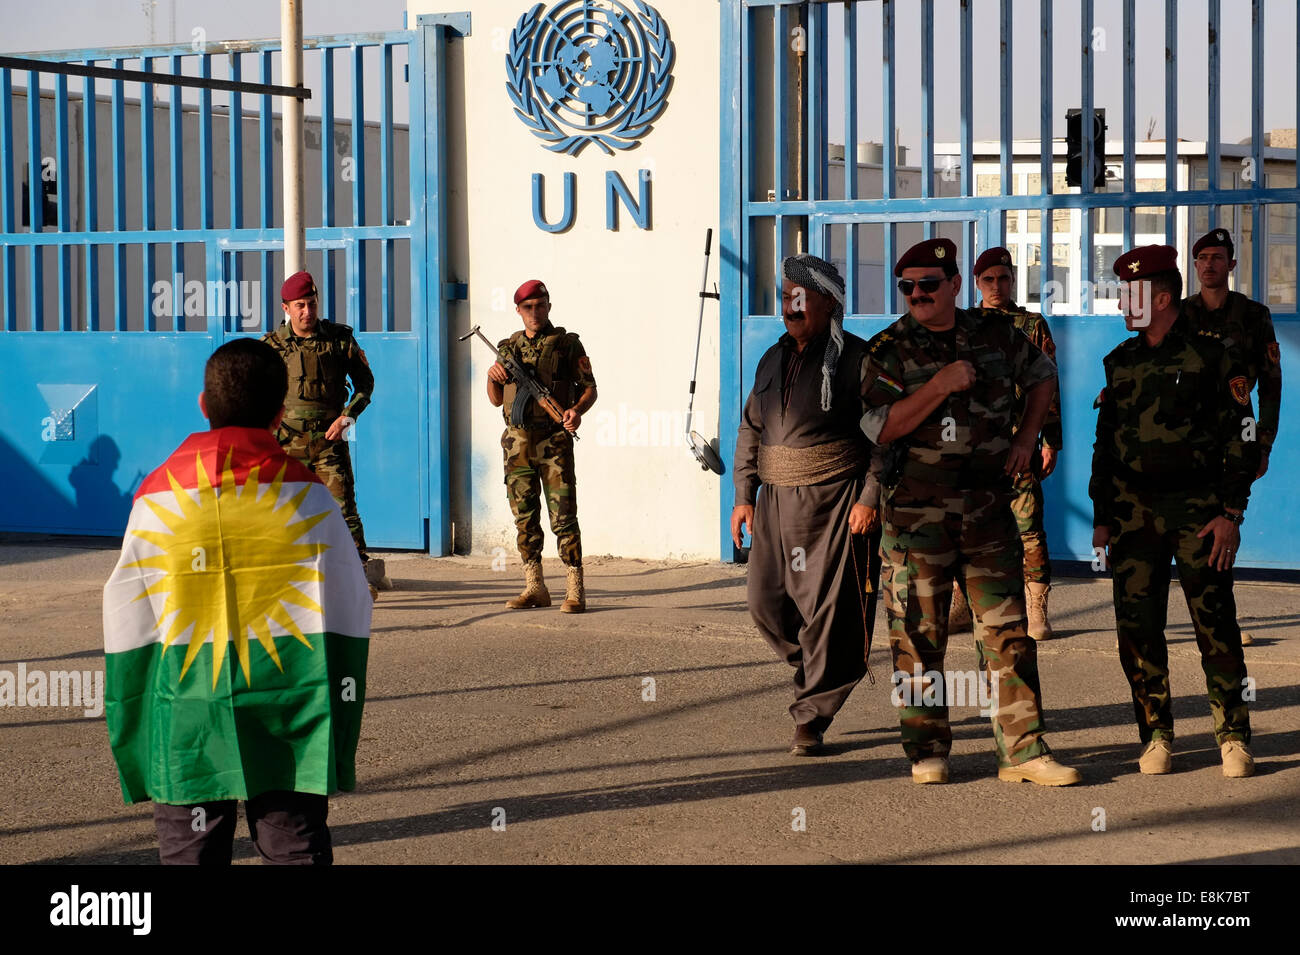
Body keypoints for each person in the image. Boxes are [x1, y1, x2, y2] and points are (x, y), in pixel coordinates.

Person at [103, 338, 372, 863]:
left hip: (186, 713)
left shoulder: (156, 496)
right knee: (294, 847)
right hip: (289, 707)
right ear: (280, 411)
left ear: (204, 406)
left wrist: (135, 730)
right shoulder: (309, 494)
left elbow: (128, 620)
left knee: (191, 852)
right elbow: (348, 608)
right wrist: (337, 721)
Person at [860, 237, 1080, 786]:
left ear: (955, 285)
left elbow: (1043, 375)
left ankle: (1023, 752)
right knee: (917, 638)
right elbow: (880, 426)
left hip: (986, 513)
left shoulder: (997, 335)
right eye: (906, 286)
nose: (916, 294)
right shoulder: (887, 349)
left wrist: (1028, 438)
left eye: (928, 285)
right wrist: (938, 385)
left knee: (1007, 634)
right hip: (916, 519)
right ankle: (926, 749)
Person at [1090, 244, 1259, 778]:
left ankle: (1232, 735)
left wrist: (1232, 512)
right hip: (1134, 517)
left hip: (1199, 513)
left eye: (1131, 292)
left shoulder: (1214, 354)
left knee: (1215, 625)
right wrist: (1103, 516)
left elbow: (1243, 435)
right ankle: (1156, 735)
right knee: (1137, 629)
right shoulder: (1120, 362)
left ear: (1162, 298)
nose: (1122, 300)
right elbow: (1105, 445)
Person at [732, 254, 882, 757]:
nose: (790, 306)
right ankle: (823, 666)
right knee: (764, 604)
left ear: (829, 303)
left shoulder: (860, 359)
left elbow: (887, 436)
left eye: (800, 296)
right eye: (784, 296)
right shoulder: (770, 359)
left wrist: (869, 497)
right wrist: (742, 497)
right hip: (775, 501)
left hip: (836, 502)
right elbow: (751, 428)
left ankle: (812, 717)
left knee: (830, 612)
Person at [947, 247, 1063, 641]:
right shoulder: (964, 324)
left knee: (1028, 525)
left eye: (1004, 278)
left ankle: (1036, 607)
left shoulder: (1031, 325)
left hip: (1019, 444)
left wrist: (1050, 440)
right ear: (977, 284)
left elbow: (1049, 385)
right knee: (966, 528)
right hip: (974, 447)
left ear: (1013, 280)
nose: (997, 286)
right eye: (989, 279)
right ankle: (963, 604)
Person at [262, 270, 388, 598]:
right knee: (283, 510)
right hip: (287, 443)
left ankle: (359, 577)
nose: (308, 311)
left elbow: (365, 384)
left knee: (344, 509)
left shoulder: (339, 340)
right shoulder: (272, 347)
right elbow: (256, 393)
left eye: (312, 303)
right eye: (300, 305)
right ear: (285, 308)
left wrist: (348, 417)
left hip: (328, 442)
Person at [486, 279, 598, 613]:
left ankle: (574, 588)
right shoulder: (508, 348)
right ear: (518, 310)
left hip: (553, 440)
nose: (534, 312)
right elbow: (494, 400)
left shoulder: (567, 344)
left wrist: (575, 411)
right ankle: (535, 587)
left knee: (563, 516)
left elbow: (590, 387)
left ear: (548, 306)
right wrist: (492, 377)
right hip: (517, 443)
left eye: (540, 305)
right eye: (527, 307)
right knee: (525, 518)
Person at [1182, 228, 1281, 480]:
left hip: (1235, 431)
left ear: (1231, 264)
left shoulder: (1254, 315)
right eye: (1203, 258)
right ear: (1195, 265)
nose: (1209, 264)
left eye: (1217, 257)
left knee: (1228, 511)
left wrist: (1264, 445)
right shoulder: (1180, 314)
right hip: (1185, 431)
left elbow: (1271, 385)